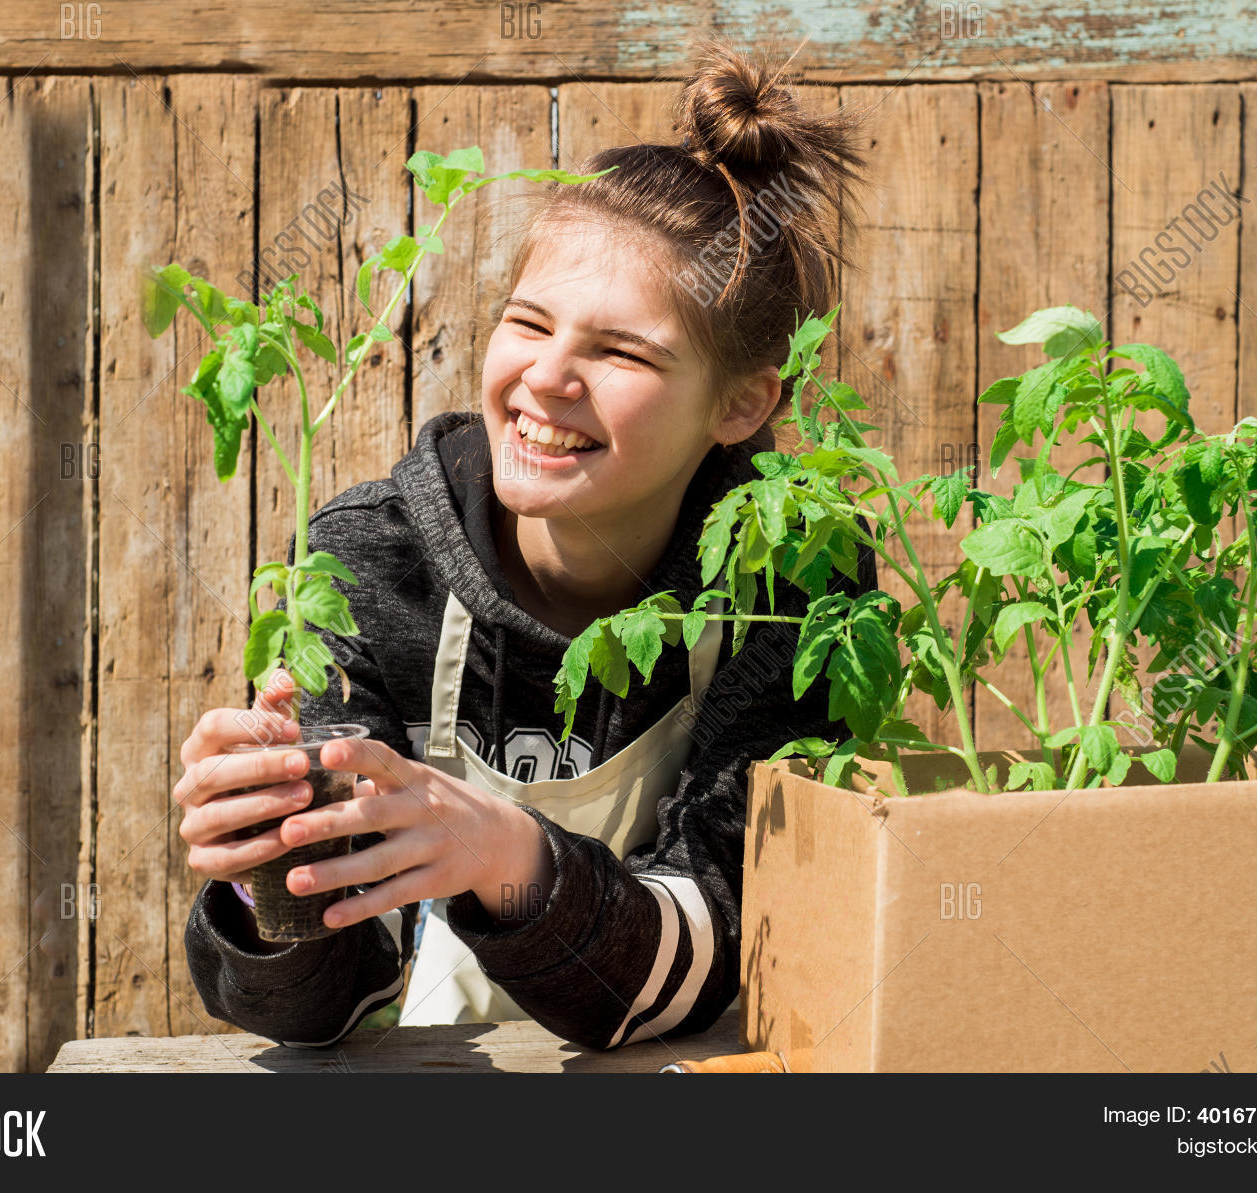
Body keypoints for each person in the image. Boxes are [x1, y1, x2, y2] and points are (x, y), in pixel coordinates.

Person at [175, 38, 876, 1050]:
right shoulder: (376, 561)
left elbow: (720, 941)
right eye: (529, 323)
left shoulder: (794, 583)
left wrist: (509, 854)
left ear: (742, 402)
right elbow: (332, 1004)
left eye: (621, 350)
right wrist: (269, 874)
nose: (548, 377)